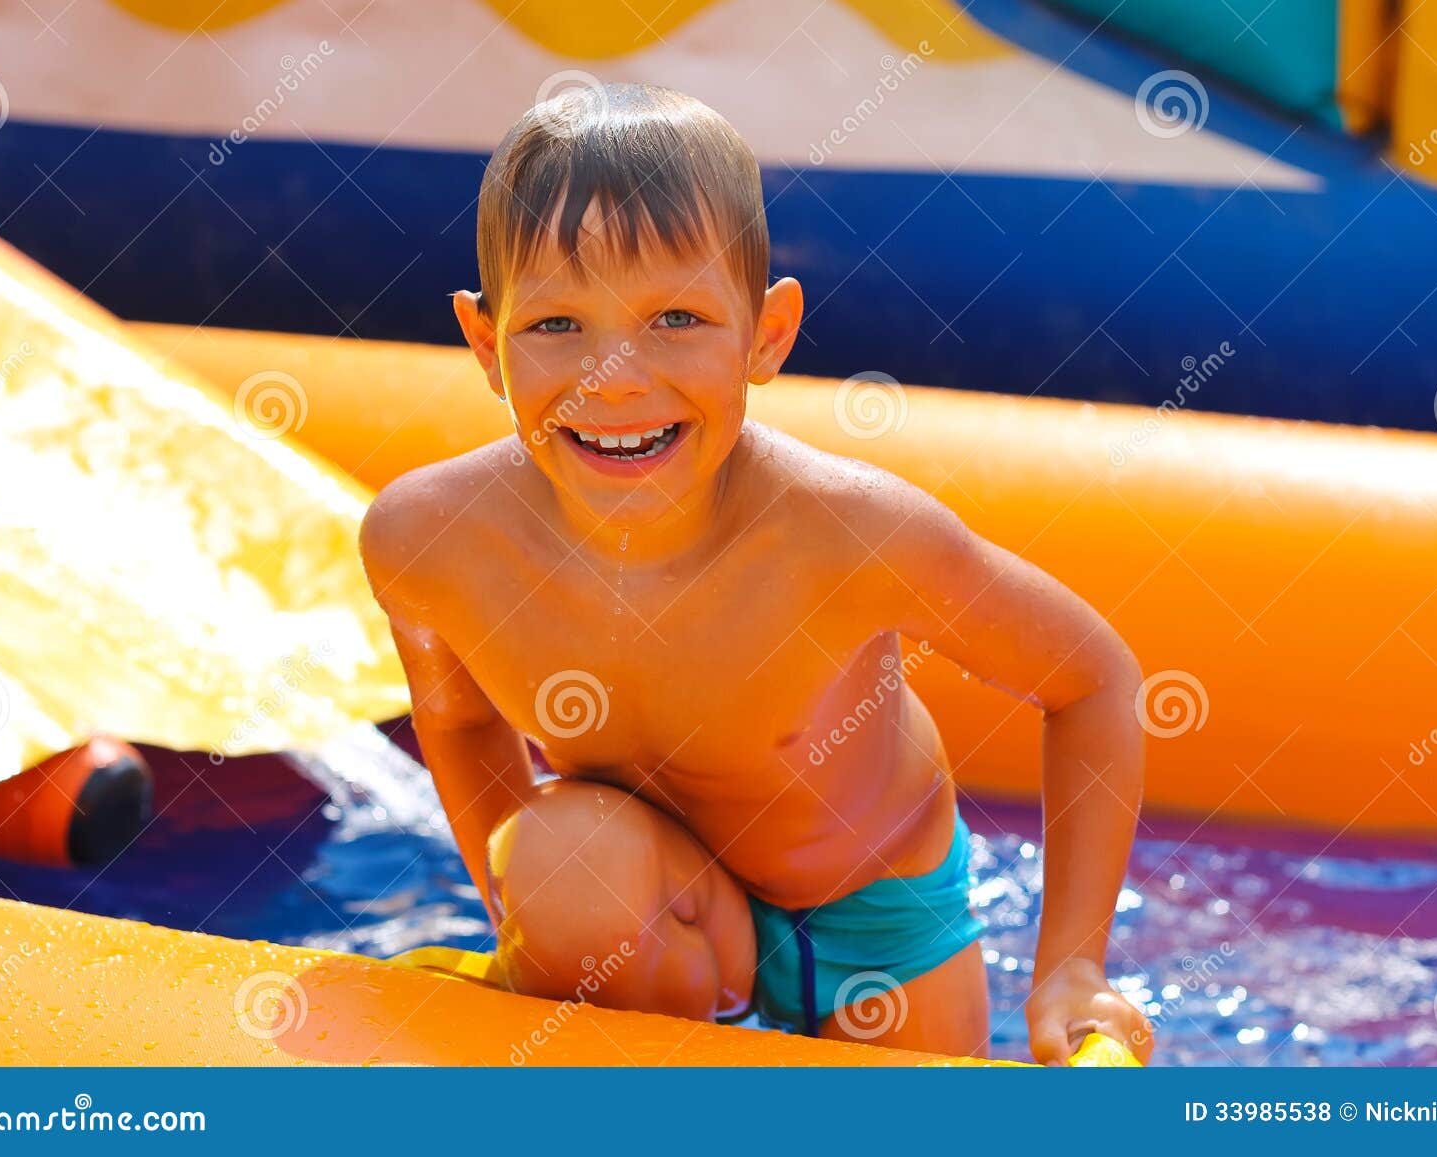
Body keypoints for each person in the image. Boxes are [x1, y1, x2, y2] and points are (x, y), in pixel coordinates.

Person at [359, 82, 1151, 1062]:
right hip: (658, 911)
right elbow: (461, 718)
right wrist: (530, 926)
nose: (615, 377)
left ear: (766, 334)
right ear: (485, 343)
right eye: (557, 325)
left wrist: (1072, 964)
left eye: (677, 319)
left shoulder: (845, 535)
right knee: (559, 862)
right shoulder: (431, 542)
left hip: (872, 934)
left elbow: (1092, 677)